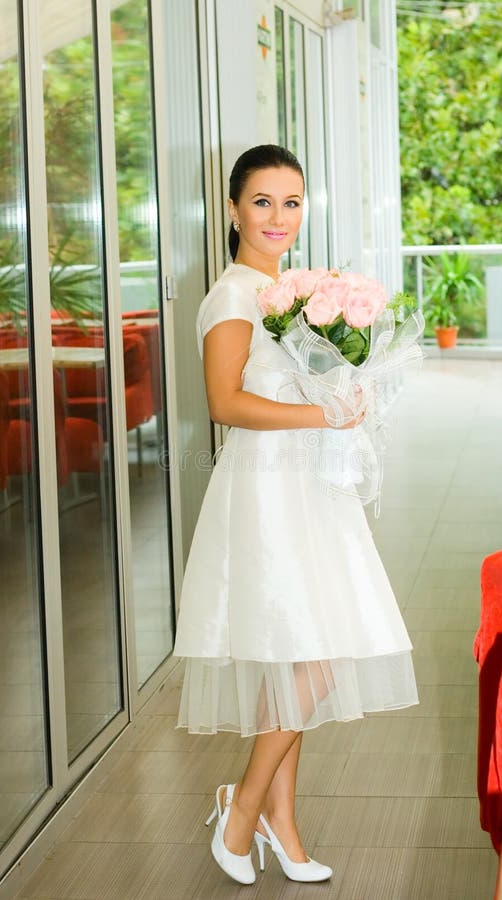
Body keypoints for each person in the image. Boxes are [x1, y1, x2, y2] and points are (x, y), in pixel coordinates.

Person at [173, 144, 418, 886]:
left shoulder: (286, 291)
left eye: (291, 202)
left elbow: (302, 384)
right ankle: (243, 805)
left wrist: (345, 394)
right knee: (314, 654)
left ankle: (281, 821)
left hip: (307, 487)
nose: (278, 217)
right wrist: (322, 413)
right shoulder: (234, 295)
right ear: (232, 209)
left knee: (295, 653)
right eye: (261, 202)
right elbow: (224, 405)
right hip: (265, 490)